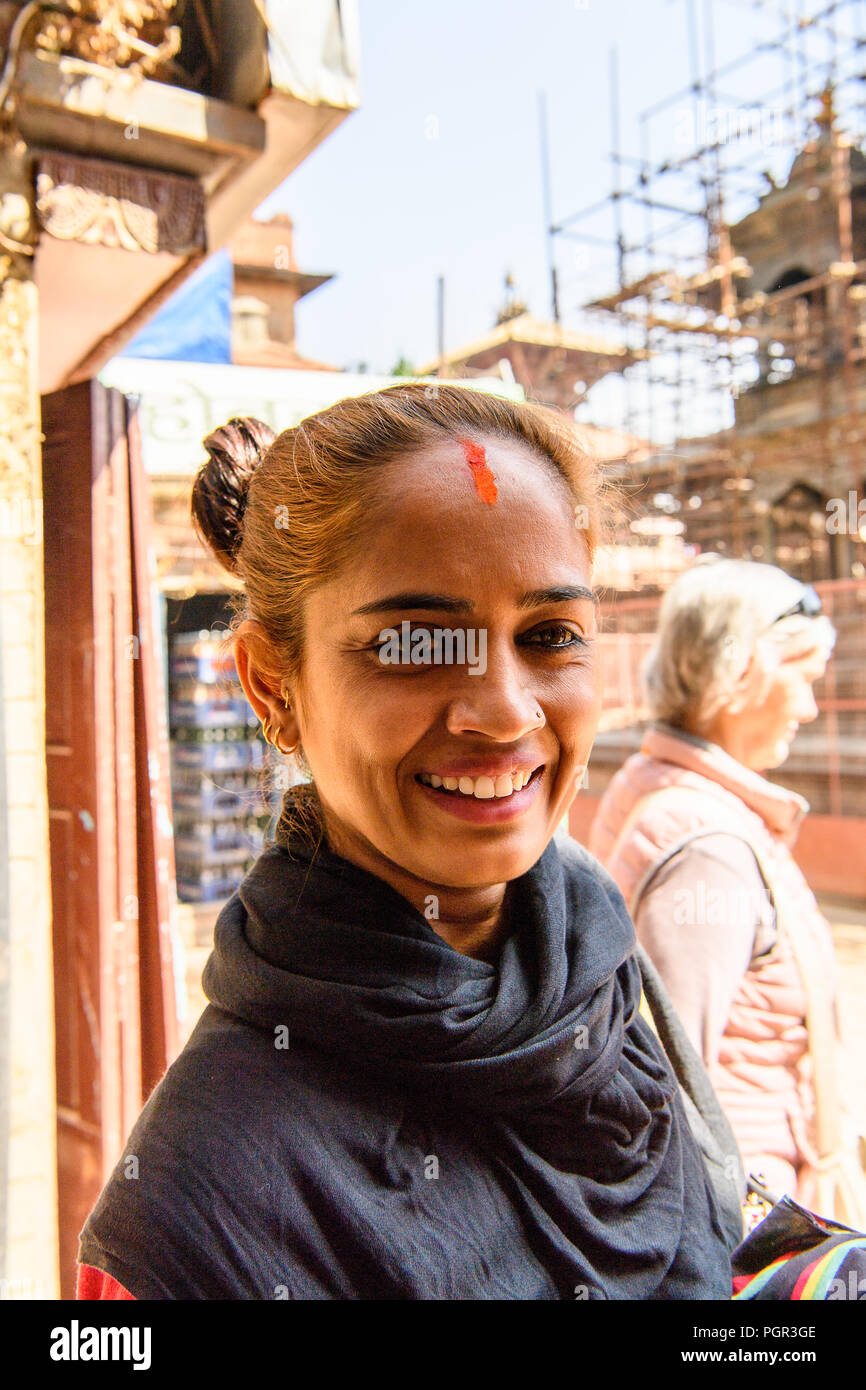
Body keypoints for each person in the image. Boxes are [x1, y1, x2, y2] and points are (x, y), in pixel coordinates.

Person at [75, 384, 731, 1300]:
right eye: (417, 643)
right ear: (273, 687)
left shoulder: (597, 974)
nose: (506, 711)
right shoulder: (194, 1215)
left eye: (550, 635)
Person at [590, 555, 865, 1225]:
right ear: (738, 673)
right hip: (750, 1214)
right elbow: (678, 1090)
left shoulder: (659, 786)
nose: (808, 706)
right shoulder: (704, 844)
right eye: (800, 679)